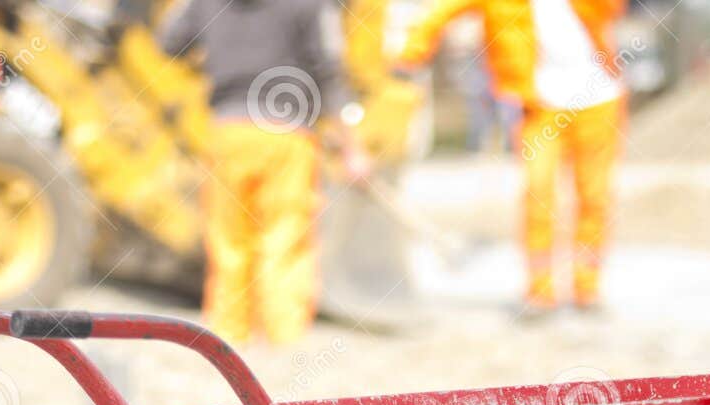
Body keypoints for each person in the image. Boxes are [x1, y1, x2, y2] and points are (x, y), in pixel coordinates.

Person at [396, 0, 627, 316]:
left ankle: (587, 288)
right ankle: (540, 291)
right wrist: (409, 55)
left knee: (594, 195)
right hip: (541, 104)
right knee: (538, 193)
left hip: (599, 98)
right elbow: (439, 11)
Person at [161, 0, 369, 346]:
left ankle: (228, 343)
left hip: (228, 133)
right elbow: (330, 72)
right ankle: (283, 341)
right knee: (284, 239)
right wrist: (352, 149)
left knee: (229, 243)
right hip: (286, 137)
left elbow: (169, 43)